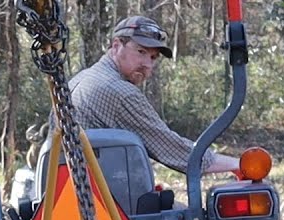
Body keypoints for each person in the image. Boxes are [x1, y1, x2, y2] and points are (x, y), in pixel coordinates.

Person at [68, 16, 239, 175]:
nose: (147, 65)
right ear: (116, 46)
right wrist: (236, 164)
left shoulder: (78, 80)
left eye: (153, 57)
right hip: (97, 199)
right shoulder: (120, 93)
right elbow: (175, 151)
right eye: (141, 52)